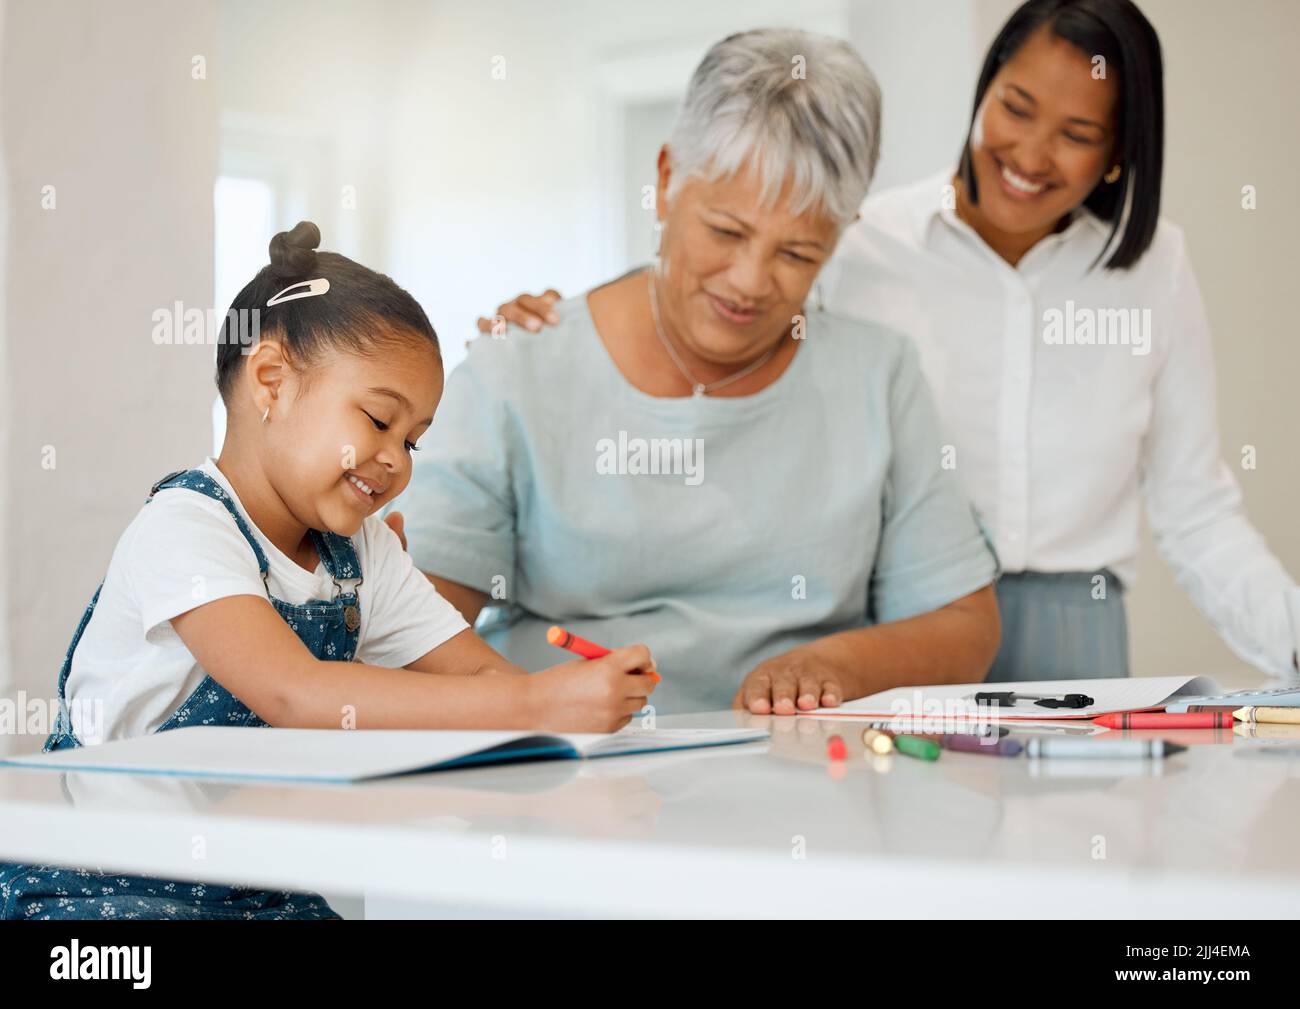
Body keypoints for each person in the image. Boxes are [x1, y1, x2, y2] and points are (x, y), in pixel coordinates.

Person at [477, 0, 1299, 681]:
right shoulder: (867, 240)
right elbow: (722, 296)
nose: (1030, 154)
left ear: (1118, 154)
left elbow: (1197, 510)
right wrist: (564, 327)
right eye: (1015, 108)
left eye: (1077, 134)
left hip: (1067, 623)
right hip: (899, 619)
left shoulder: (1153, 272)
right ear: (983, 93)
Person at [0, 221, 654, 920]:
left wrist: (579, 699)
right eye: (378, 420)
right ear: (271, 380)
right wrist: (537, 707)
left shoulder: (365, 553)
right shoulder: (185, 529)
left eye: (413, 441)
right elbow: (295, 692)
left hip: (261, 888)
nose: (397, 459)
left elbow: (486, 679)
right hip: (103, 884)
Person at [392, 28, 1001, 718]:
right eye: (726, 232)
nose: (749, 283)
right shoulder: (519, 364)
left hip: (804, 781)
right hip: (571, 782)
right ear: (665, 179)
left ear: (842, 232)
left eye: (798, 254)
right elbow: (415, 622)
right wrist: (534, 703)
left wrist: (834, 663)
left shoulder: (879, 375)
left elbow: (965, 626)